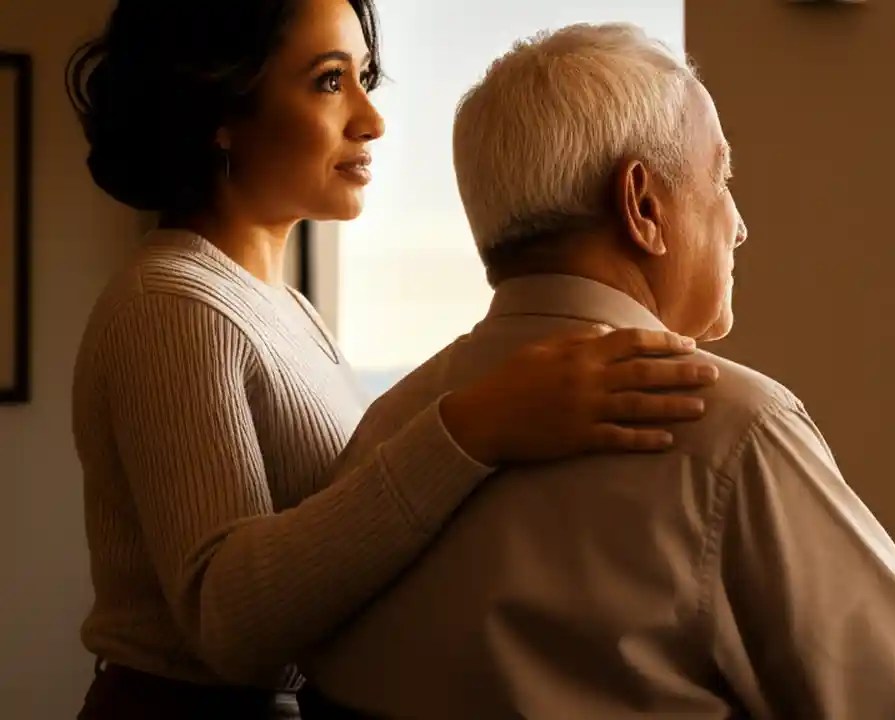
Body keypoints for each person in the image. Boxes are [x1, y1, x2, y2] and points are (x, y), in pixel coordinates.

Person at [299, 23, 895, 719]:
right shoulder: (727, 427)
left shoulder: (387, 429)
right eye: (723, 178)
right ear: (644, 205)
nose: (739, 223)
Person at [66, 3, 720, 718]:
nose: (370, 119)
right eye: (327, 81)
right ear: (219, 106)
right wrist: (475, 426)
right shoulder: (171, 304)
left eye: (365, 77)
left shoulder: (280, 307)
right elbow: (230, 623)